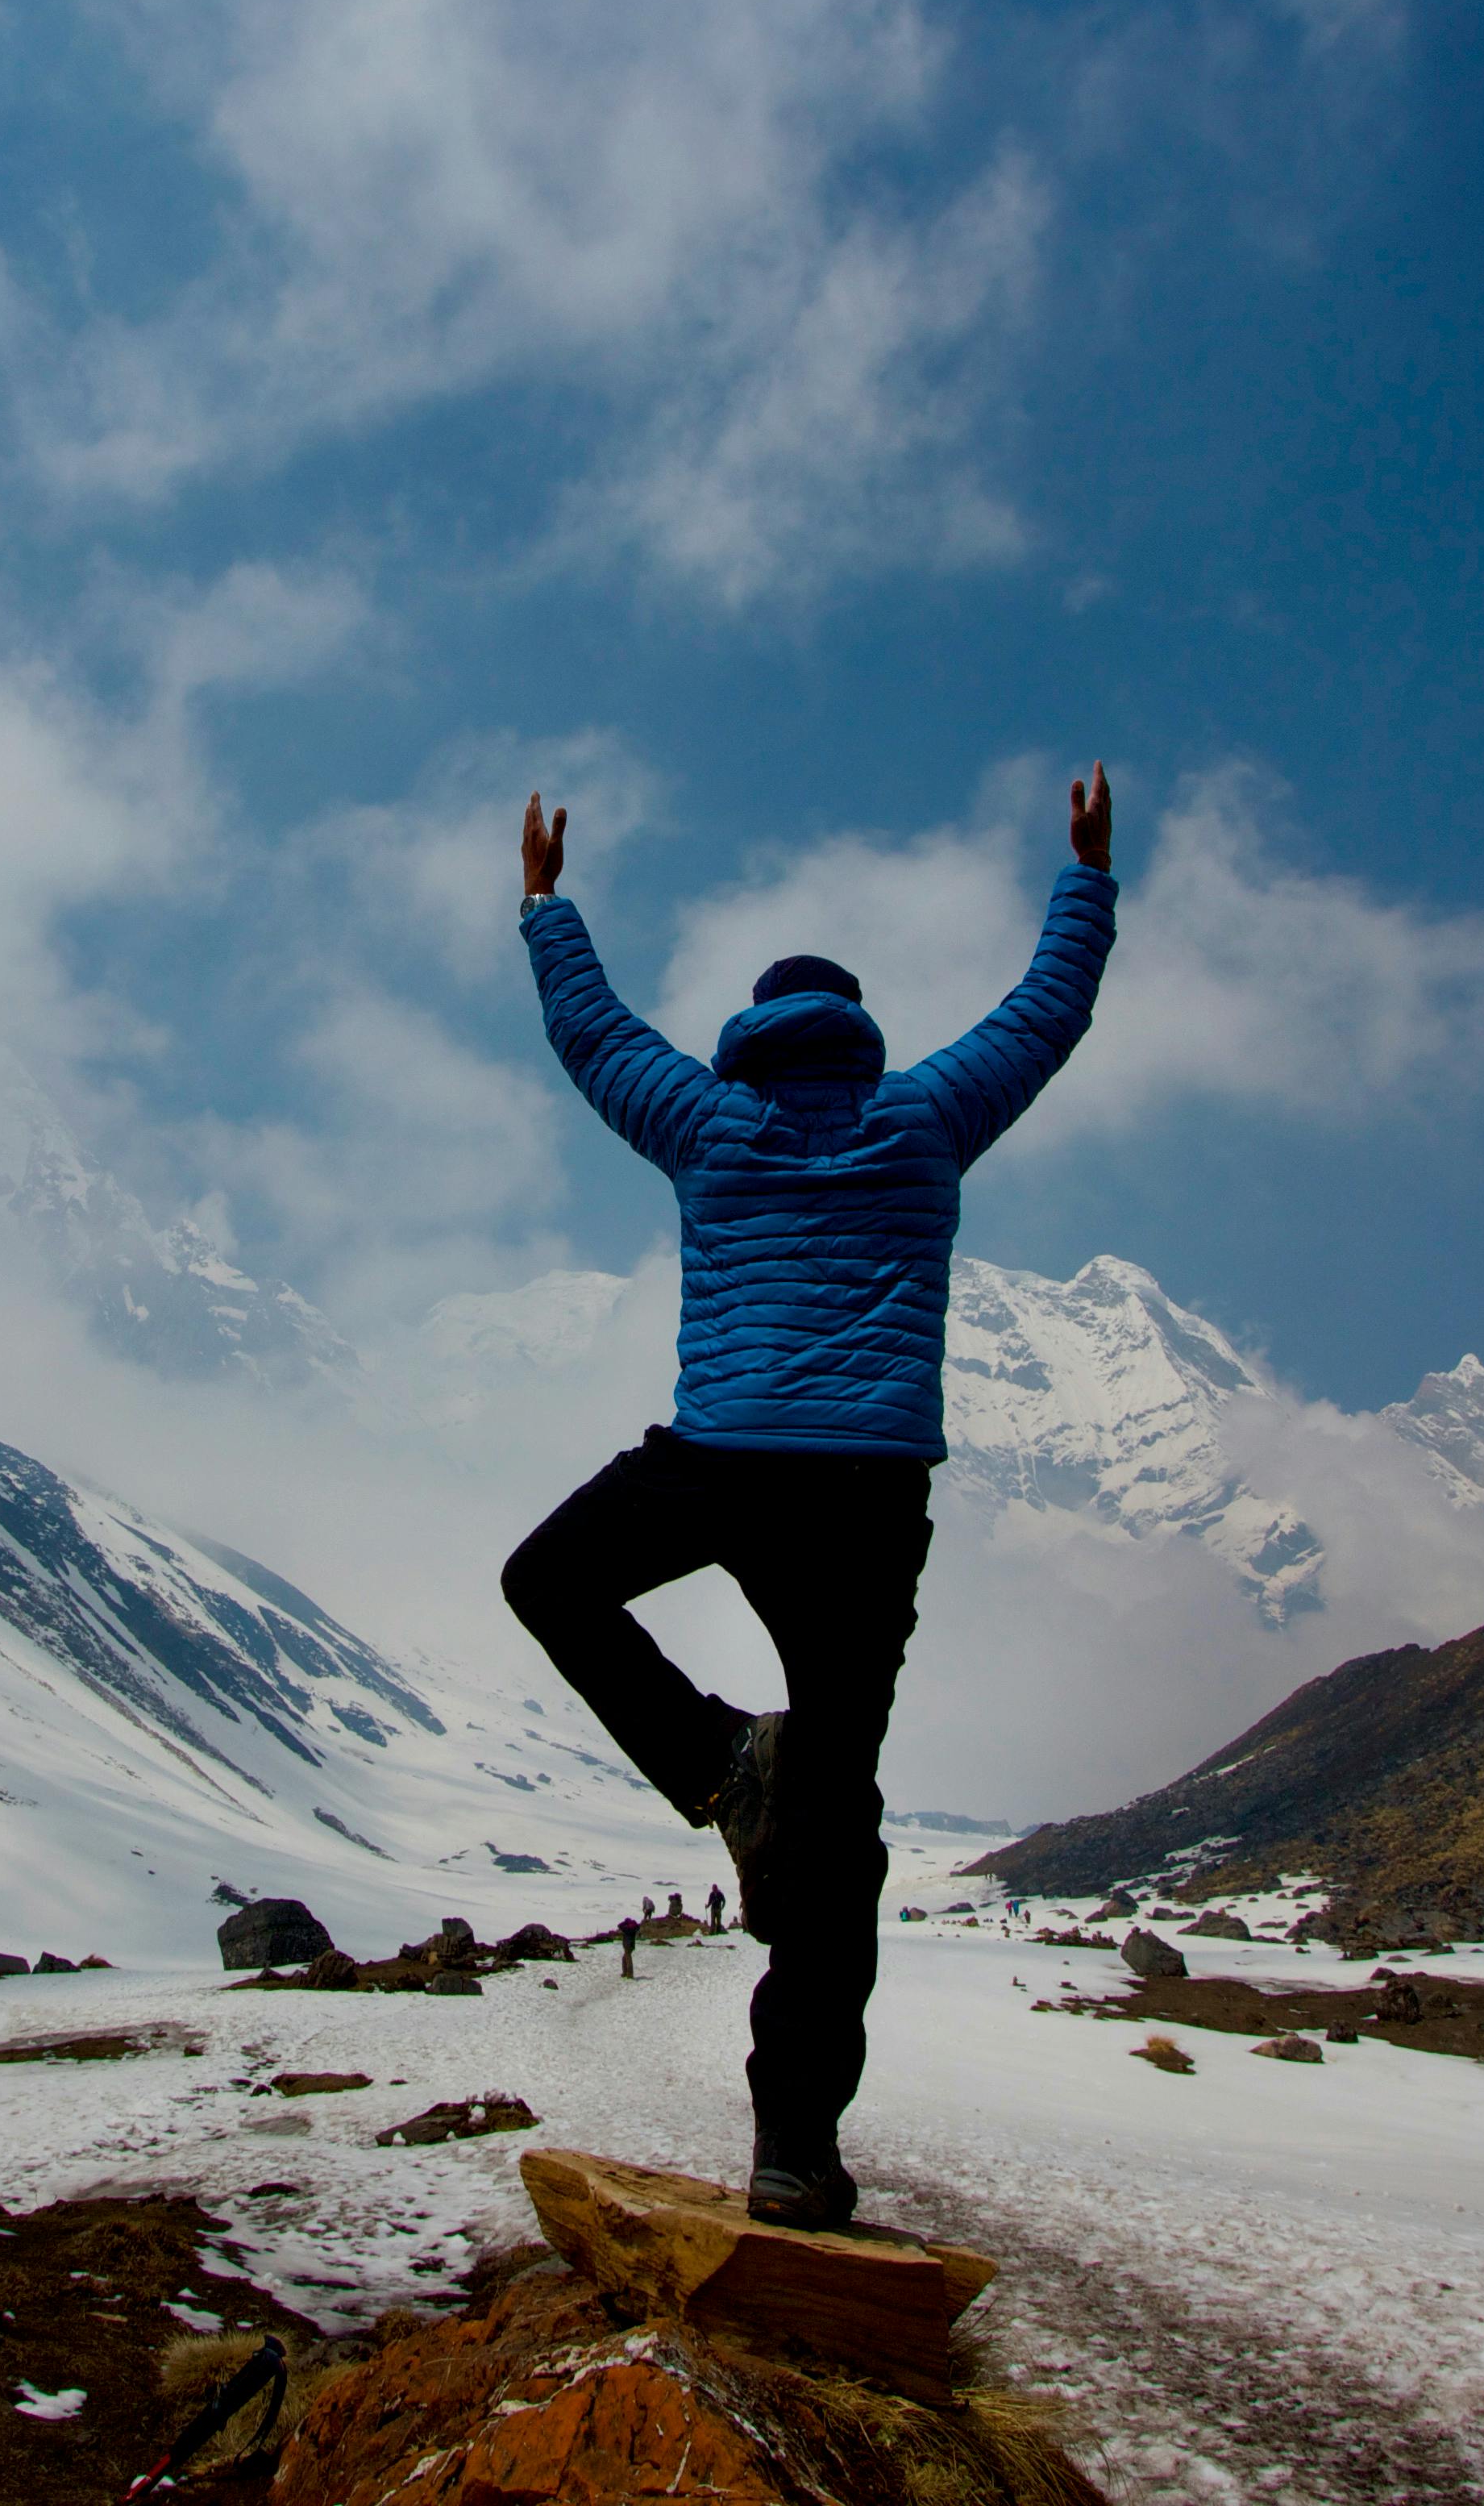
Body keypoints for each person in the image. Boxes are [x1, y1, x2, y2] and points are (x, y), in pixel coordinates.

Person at [501, 764, 1118, 2231]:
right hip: (868, 1507)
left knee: (550, 1585)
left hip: (719, 1462)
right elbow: (1048, 1016)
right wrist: (1086, 877)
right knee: (836, 1837)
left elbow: (592, 1036)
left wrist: (543, 903)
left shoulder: (708, 1123)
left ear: (755, 1035)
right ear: (858, 1033)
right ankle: (795, 2154)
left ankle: (719, 1762)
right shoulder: (927, 1119)